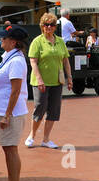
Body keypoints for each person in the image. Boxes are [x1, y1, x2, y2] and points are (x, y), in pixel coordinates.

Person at [0, 24, 29, 181]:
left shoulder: (16, 61)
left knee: (11, 149)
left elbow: (15, 90)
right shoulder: (8, 57)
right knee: (7, 149)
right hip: (3, 109)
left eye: (3, 38)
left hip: (10, 112)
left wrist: (7, 114)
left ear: (13, 42)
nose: (0, 41)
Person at [27, 13, 72, 149]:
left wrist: (69, 78)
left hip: (57, 81)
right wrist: (39, 79)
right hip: (41, 82)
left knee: (54, 110)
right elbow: (33, 62)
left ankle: (46, 139)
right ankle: (32, 135)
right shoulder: (37, 41)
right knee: (40, 108)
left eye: (52, 25)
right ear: (42, 26)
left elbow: (66, 61)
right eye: (46, 24)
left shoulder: (60, 41)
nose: (49, 27)